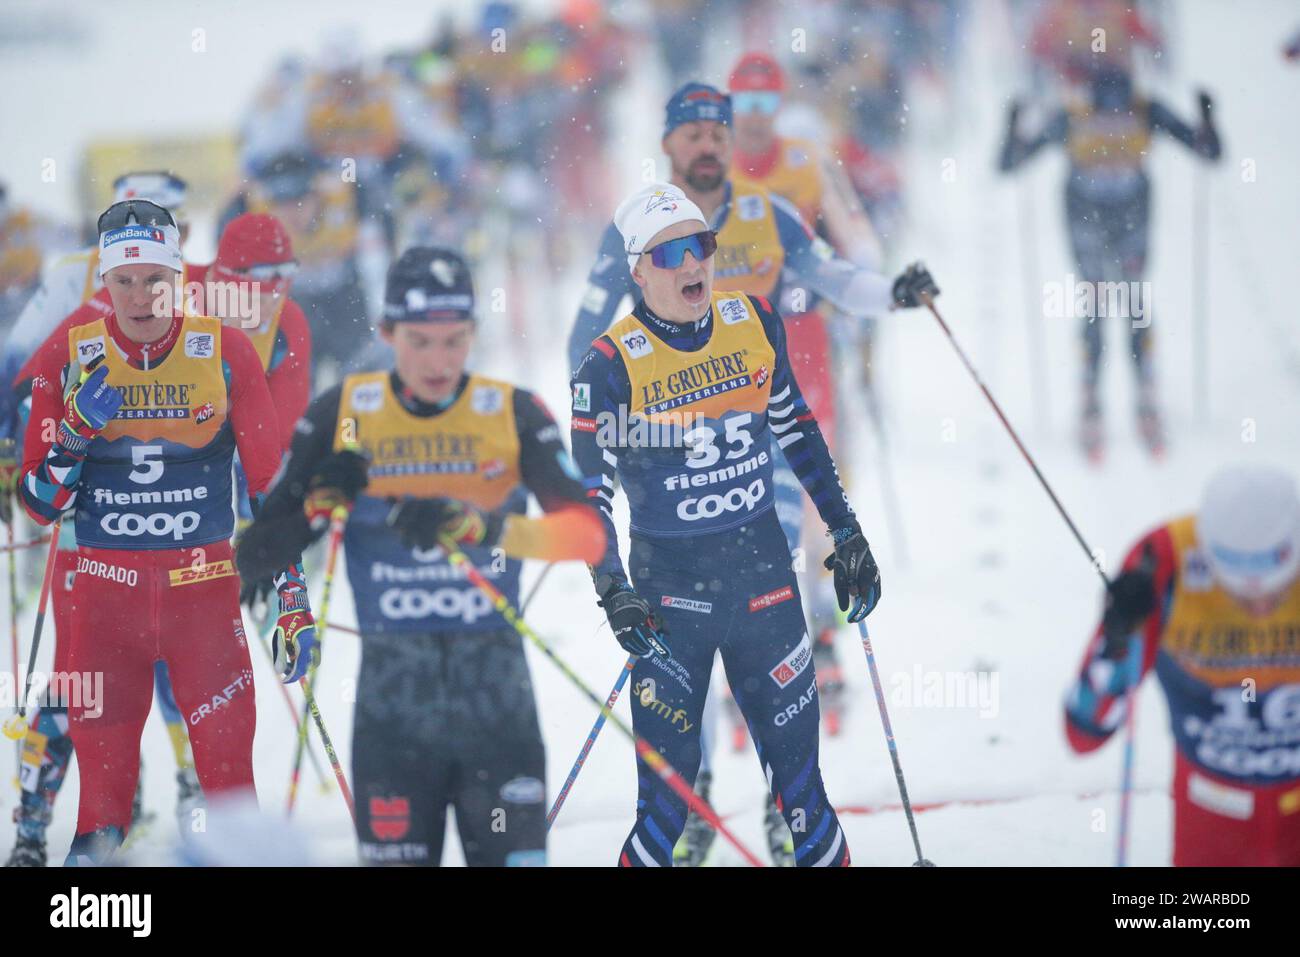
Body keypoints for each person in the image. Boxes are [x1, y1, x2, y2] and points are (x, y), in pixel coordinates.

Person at [570, 181, 937, 867]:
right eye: (671, 253)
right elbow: (589, 493)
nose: (692, 265)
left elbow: (797, 430)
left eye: (701, 246)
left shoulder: (753, 320)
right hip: (668, 603)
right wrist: (613, 590)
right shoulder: (609, 365)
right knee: (666, 812)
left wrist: (848, 533)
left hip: (765, 584)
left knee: (802, 796)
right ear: (638, 269)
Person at [235, 246, 605, 866]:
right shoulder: (347, 413)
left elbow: (587, 534)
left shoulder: (510, 411)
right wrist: (320, 505)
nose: (439, 362)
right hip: (393, 717)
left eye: (454, 341)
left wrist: (483, 528)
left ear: (474, 334)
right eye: (420, 341)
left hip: (497, 710)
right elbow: (255, 554)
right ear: (387, 334)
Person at [15, 199, 313, 865]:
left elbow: (269, 491)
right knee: (101, 821)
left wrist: (291, 595)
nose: (141, 296)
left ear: (178, 275)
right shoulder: (71, 351)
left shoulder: (226, 350)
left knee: (233, 803)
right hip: (104, 606)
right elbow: (37, 502)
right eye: (124, 279)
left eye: (156, 278)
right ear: (105, 282)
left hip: (204, 602)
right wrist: (74, 436)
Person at [728, 51, 889, 736]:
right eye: (746, 105)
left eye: (767, 104)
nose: (757, 118)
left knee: (816, 498)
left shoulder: (811, 161)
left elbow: (861, 245)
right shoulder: (714, 172)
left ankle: (820, 630)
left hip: (808, 346)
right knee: (743, 500)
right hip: (735, 356)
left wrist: (848, 282)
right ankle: (749, 647)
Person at [1066, 464, 1300, 866]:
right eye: (1239, 592)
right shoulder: (1164, 559)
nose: (1260, 608)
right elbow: (1085, 731)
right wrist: (1116, 636)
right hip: (1212, 819)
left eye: (1278, 588)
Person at [999, 64, 1221, 461]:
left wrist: (1208, 120)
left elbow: (1207, 151)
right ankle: (1095, 397)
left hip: (1126, 216)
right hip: (1089, 215)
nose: (1112, 119)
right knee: (1103, 301)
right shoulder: (1081, 113)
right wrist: (1011, 126)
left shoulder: (1139, 109)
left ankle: (1138, 394)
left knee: (1126, 301)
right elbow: (1011, 163)